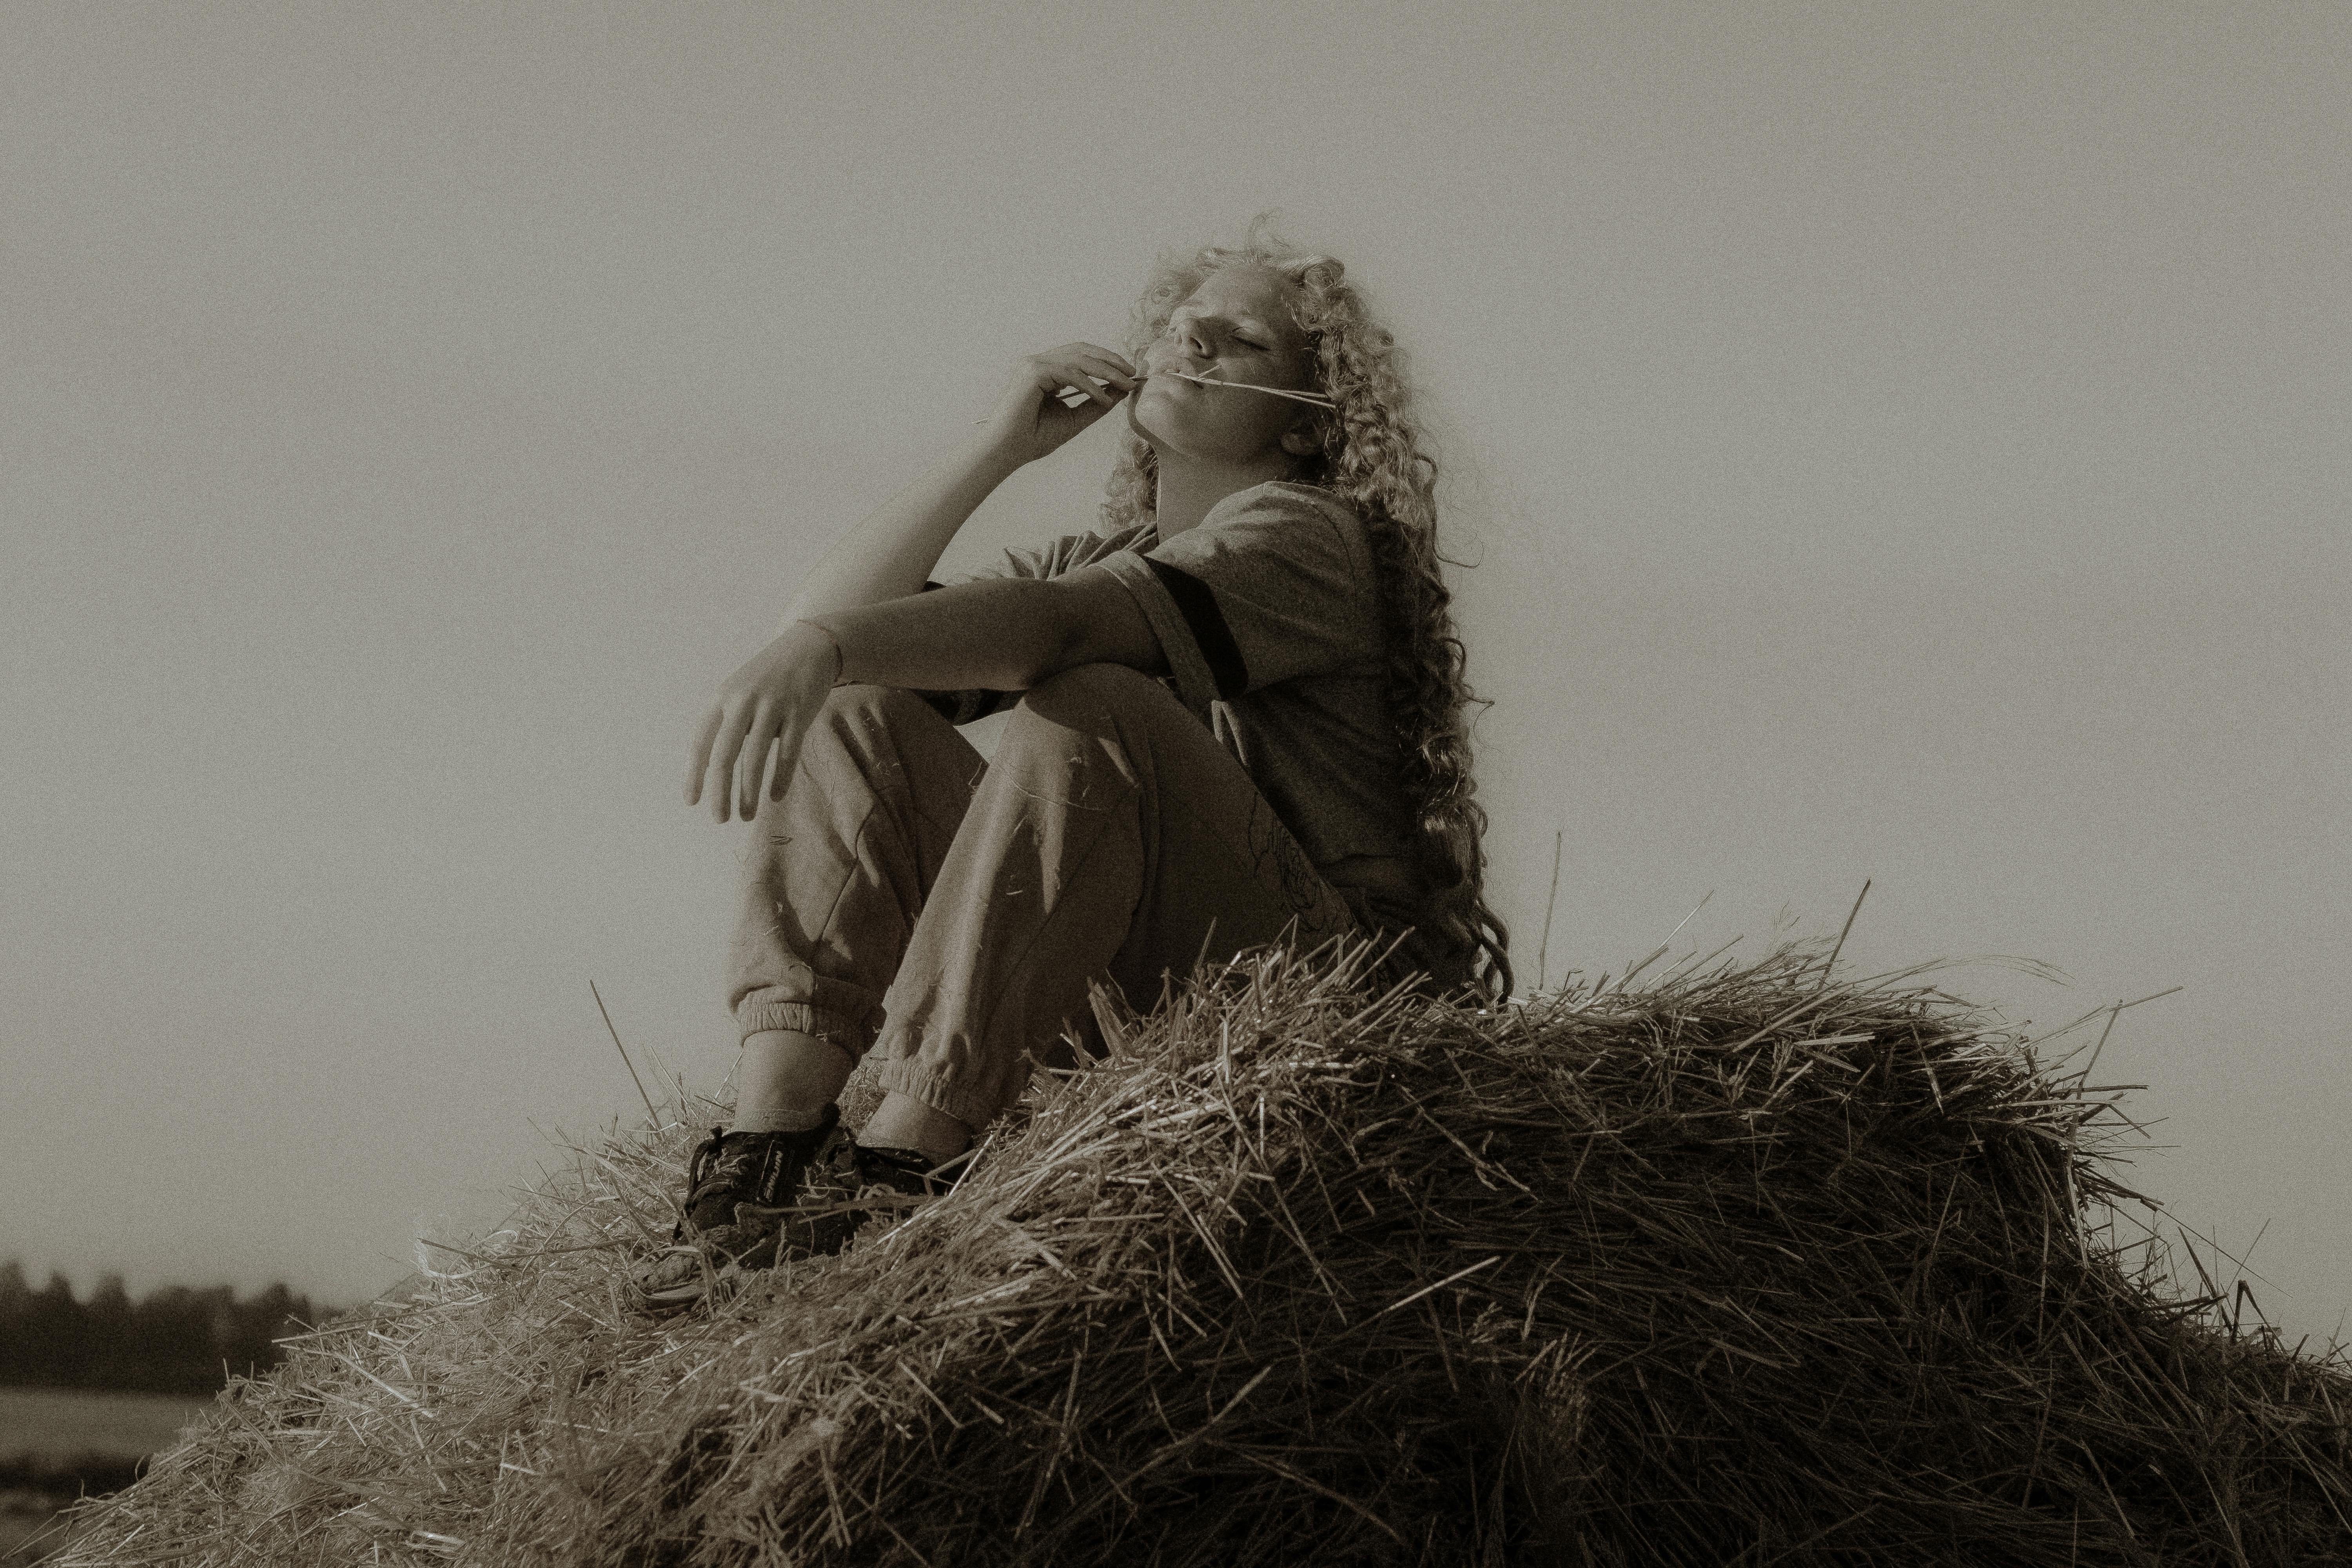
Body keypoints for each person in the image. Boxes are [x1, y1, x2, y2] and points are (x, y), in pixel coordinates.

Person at [633, 223, 1511, 1311]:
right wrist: (995, 452)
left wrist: (826, 648)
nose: (1190, 340)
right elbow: (825, 634)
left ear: (1305, 425)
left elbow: (1052, 635)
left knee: (1098, 704)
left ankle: (911, 1158)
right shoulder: (1105, 557)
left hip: (1314, 1010)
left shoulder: (1308, 534)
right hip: (1142, 989)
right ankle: (766, 1160)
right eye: (1180, 325)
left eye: (1238, 340)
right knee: (857, 706)